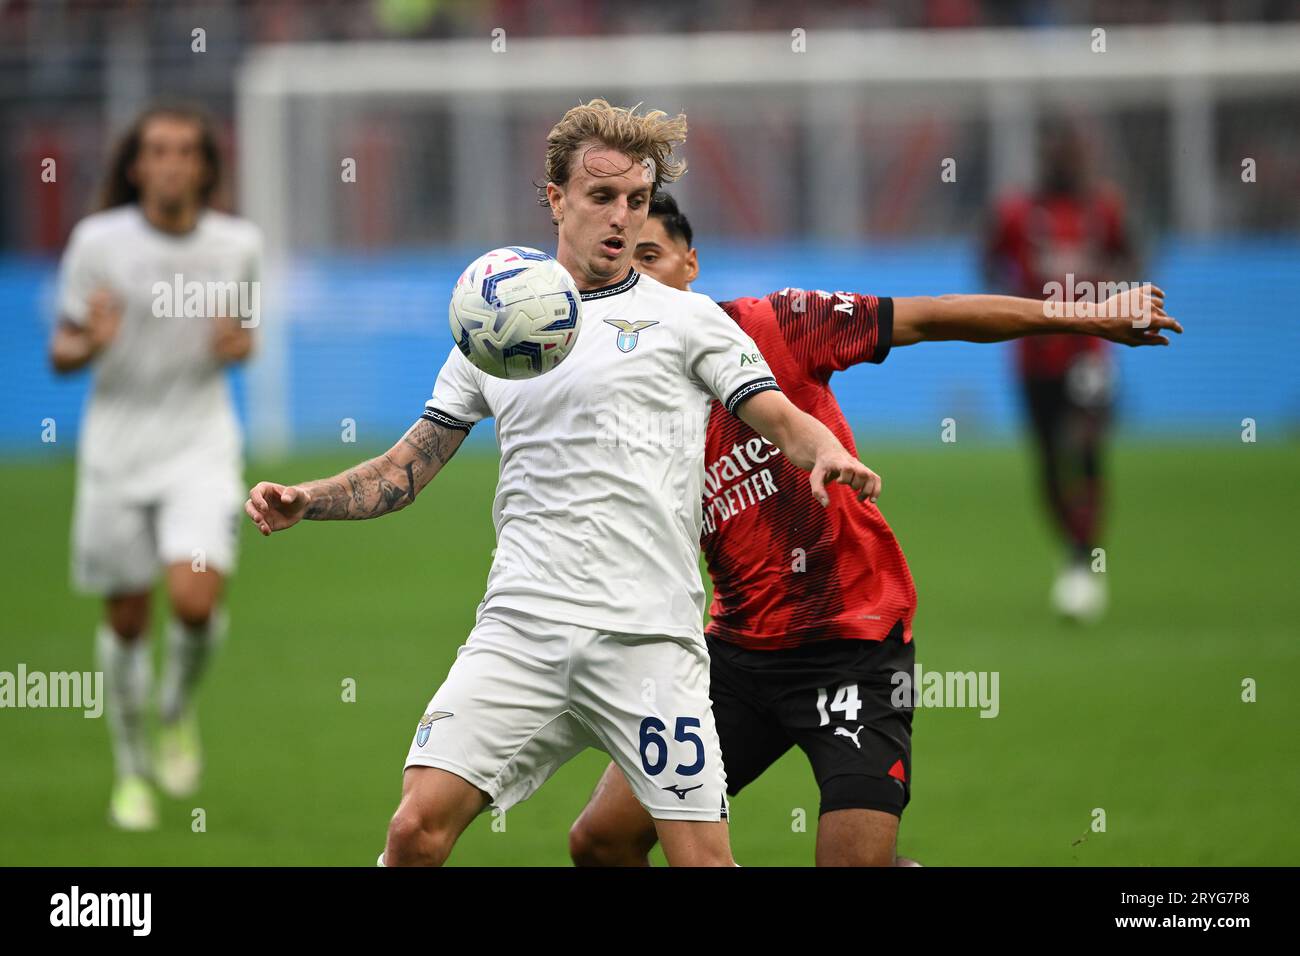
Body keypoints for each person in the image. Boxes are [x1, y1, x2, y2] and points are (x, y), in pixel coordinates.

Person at [243, 99, 883, 867]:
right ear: (555, 199)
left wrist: (822, 451)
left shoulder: (687, 322)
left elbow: (775, 413)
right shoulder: (497, 322)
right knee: (414, 831)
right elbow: (405, 470)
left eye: (638, 202)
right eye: (602, 198)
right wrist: (308, 500)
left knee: (704, 862)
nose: (624, 220)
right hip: (523, 630)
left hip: (648, 642)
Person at [568, 192, 1179, 866]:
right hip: (735, 656)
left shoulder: (777, 324)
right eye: (627, 264)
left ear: (691, 264)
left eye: (654, 256)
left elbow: (933, 317)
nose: (642, 278)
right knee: (601, 841)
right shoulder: (617, 400)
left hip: (853, 648)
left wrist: (1083, 315)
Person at [49, 102, 261, 829]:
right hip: (115, 453)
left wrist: (240, 346)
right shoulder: (98, 242)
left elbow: (245, 338)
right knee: (130, 619)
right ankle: (131, 767)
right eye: (157, 150)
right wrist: (91, 341)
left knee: (196, 602)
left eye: (184, 150)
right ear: (136, 165)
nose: (170, 162)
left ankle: (175, 708)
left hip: (200, 449)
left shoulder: (238, 244)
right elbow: (60, 352)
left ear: (205, 165)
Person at [984, 121, 1139, 621]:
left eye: (1073, 155)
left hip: (1089, 352)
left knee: (1086, 443)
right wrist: (1018, 299)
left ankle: (1082, 554)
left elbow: (1132, 254)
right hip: (1034, 355)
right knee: (1049, 461)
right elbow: (987, 262)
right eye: (1058, 154)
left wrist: (1114, 293)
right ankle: (1075, 554)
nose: (1066, 164)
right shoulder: (1018, 214)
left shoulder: (1104, 210)